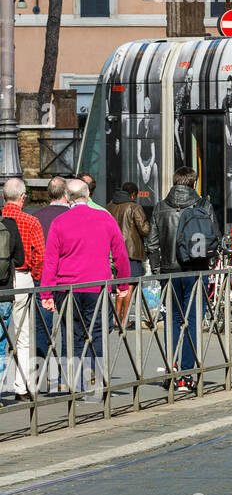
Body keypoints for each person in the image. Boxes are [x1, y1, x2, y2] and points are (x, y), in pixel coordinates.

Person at [40, 179, 129, 396]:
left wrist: (46, 293)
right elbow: (120, 254)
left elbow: (50, 261)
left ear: (68, 198)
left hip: (67, 288)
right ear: (88, 195)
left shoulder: (59, 223)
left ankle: (75, 383)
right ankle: (95, 381)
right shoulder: (104, 219)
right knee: (97, 334)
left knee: (72, 335)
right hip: (96, 287)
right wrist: (123, 284)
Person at [146, 166, 218, 391]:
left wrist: (158, 271)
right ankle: (188, 375)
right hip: (196, 272)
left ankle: (172, 366)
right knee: (193, 321)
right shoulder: (203, 205)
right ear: (193, 184)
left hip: (169, 272)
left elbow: (152, 244)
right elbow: (214, 238)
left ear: (175, 183)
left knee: (172, 320)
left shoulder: (160, 207)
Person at [0, 179, 38, 400]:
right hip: (22, 278)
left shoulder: (3, 219)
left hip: (2, 282)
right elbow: (38, 254)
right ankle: (21, 387)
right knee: (23, 335)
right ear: (22, 197)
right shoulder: (30, 221)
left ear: (4, 197)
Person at [107, 182, 150, 327]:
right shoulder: (134, 207)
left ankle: (117, 317)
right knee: (129, 285)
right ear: (133, 194)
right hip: (131, 251)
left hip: (113, 250)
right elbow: (144, 229)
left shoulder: (109, 206)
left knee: (120, 284)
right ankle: (124, 320)